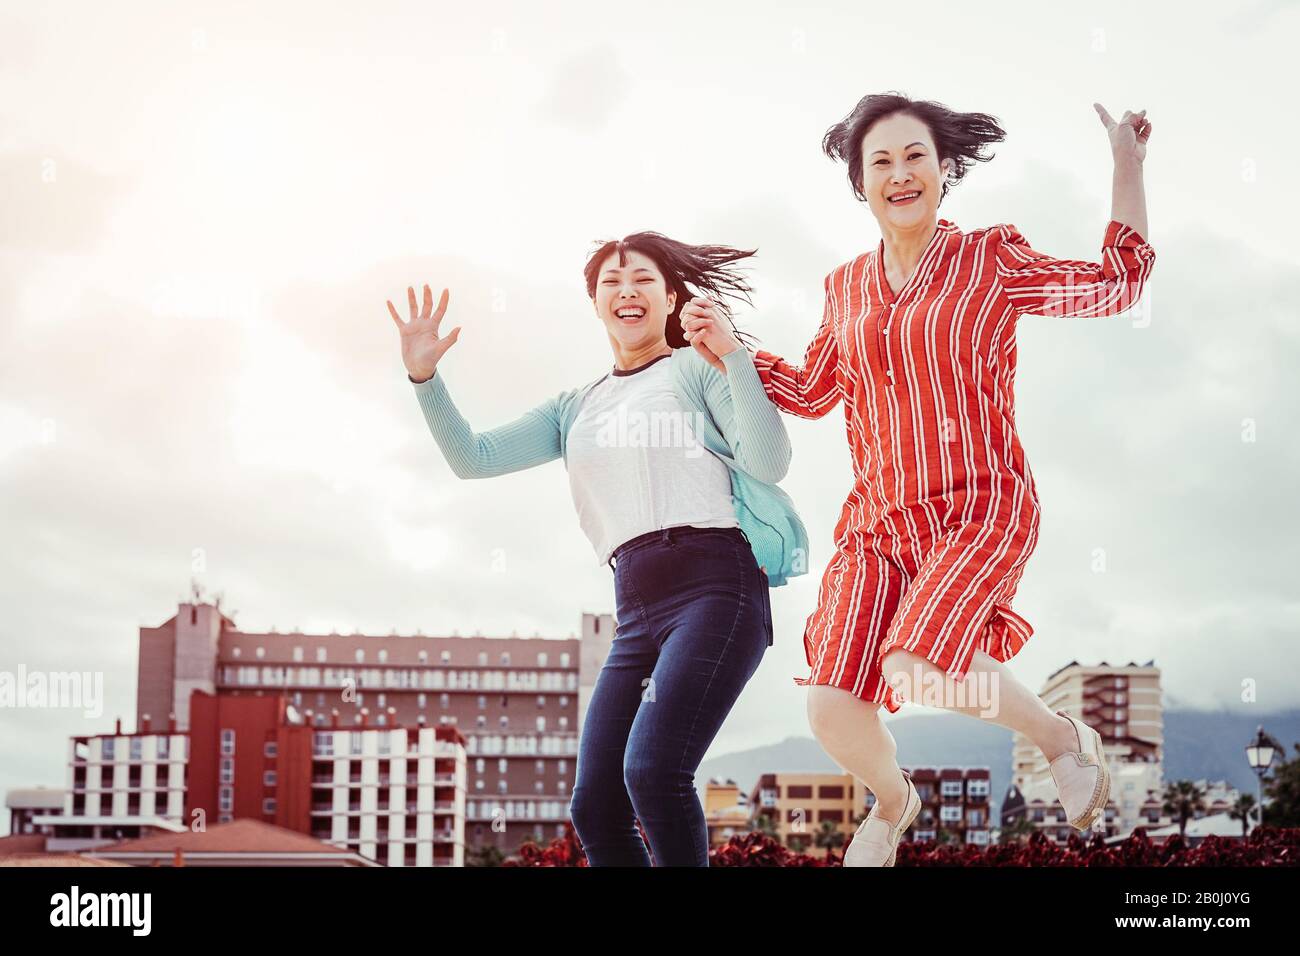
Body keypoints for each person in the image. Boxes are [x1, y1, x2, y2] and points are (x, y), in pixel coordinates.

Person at [681, 92, 1155, 865]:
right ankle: (895, 802)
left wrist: (1126, 164)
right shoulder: (845, 288)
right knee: (830, 704)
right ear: (860, 183)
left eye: (915, 158)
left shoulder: (990, 259)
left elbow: (1116, 284)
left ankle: (1062, 737)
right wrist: (733, 353)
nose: (900, 174)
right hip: (878, 524)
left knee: (920, 667)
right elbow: (810, 389)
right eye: (882, 162)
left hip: (978, 504)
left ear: (943, 171)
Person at [386, 232, 807, 865]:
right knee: (596, 808)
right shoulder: (574, 407)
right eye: (610, 281)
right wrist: (424, 377)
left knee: (654, 771)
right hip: (635, 608)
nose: (626, 290)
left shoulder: (696, 369)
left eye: (641, 278)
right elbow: (473, 459)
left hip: (716, 590)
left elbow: (769, 462)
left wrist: (734, 359)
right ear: (595, 303)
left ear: (670, 297)